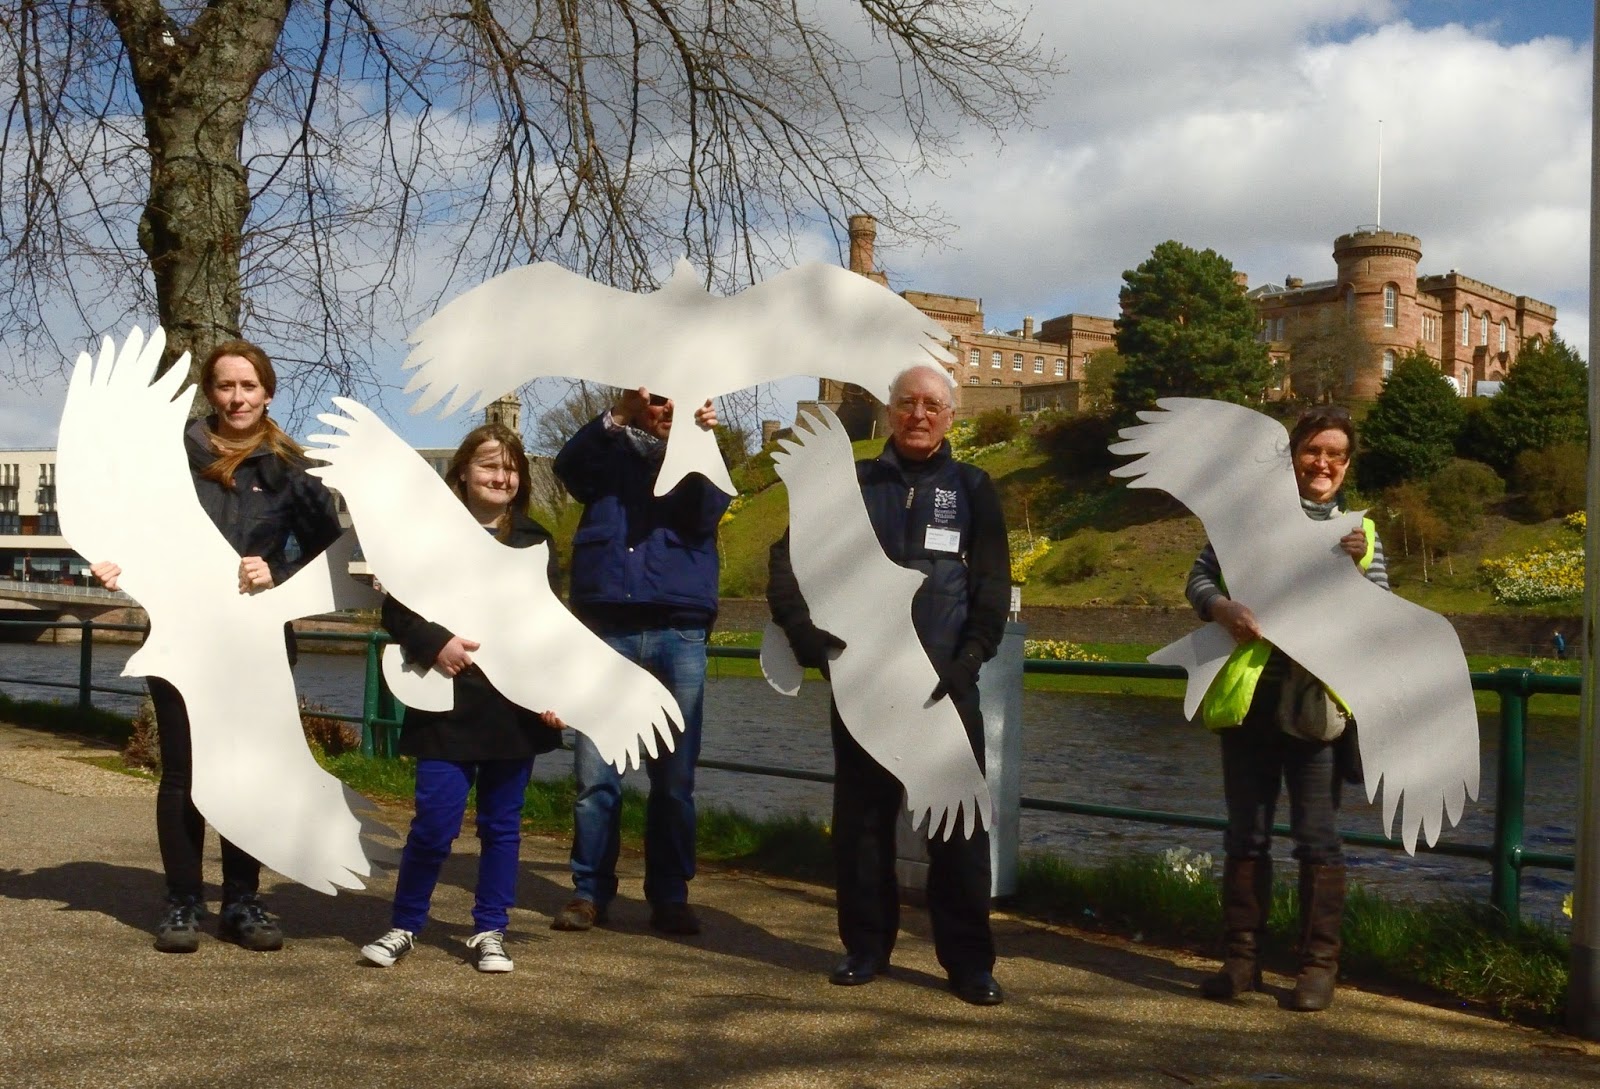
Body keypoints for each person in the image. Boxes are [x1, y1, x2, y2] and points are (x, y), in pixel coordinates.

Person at [767, 364, 1011, 1006]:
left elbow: (992, 585)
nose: (919, 414)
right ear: (890, 411)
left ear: (951, 416)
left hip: (943, 687)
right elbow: (785, 562)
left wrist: (969, 661)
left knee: (959, 828)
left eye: (933, 405)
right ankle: (866, 947)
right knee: (863, 825)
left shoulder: (974, 487)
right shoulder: (849, 485)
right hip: (863, 685)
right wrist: (805, 638)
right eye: (907, 403)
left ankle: (969, 963)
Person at [91, 339, 345, 953]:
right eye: (226, 387)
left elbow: (332, 557)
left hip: (255, 640)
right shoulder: (171, 455)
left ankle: (242, 901)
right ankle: (181, 903)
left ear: (267, 392)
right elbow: (127, 520)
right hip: (183, 637)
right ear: (211, 392)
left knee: (248, 773)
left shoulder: (291, 470)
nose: (237, 398)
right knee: (182, 771)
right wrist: (110, 559)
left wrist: (278, 573)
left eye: (249, 387)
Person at [1185, 404, 1388, 1013]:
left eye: (1335, 454)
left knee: (1317, 838)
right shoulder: (1244, 518)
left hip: (1316, 706)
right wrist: (1221, 610)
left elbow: (1378, 614)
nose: (1322, 463)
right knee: (1245, 834)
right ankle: (1241, 964)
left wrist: (1355, 569)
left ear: (1346, 468)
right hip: (1248, 699)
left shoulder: (1364, 535)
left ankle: (1317, 968)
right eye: (1313, 451)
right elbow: (1198, 579)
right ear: (1292, 457)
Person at [360, 423, 565, 973]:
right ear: (463, 474)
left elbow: (554, 627)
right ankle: (405, 923)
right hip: (446, 700)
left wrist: (555, 693)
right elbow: (397, 611)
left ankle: (490, 929)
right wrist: (436, 643)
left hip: (513, 708)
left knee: (502, 825)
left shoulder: (535, 541)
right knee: (435, 820)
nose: (501, 477)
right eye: (489, 466)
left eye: (510, 468)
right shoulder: (427, 536)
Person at [549, 387, 727, 935]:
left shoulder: (702, 449)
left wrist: (694, 442)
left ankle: (670, 895)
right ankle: (589, 892)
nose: (664, 408)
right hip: (606, 628)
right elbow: (569, 470)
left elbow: (706, 511)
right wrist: (618, 416)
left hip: (679, 629)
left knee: (674, 781)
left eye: (676, 399)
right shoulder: (607, 447)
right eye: (654, 398)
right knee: (595, 775)